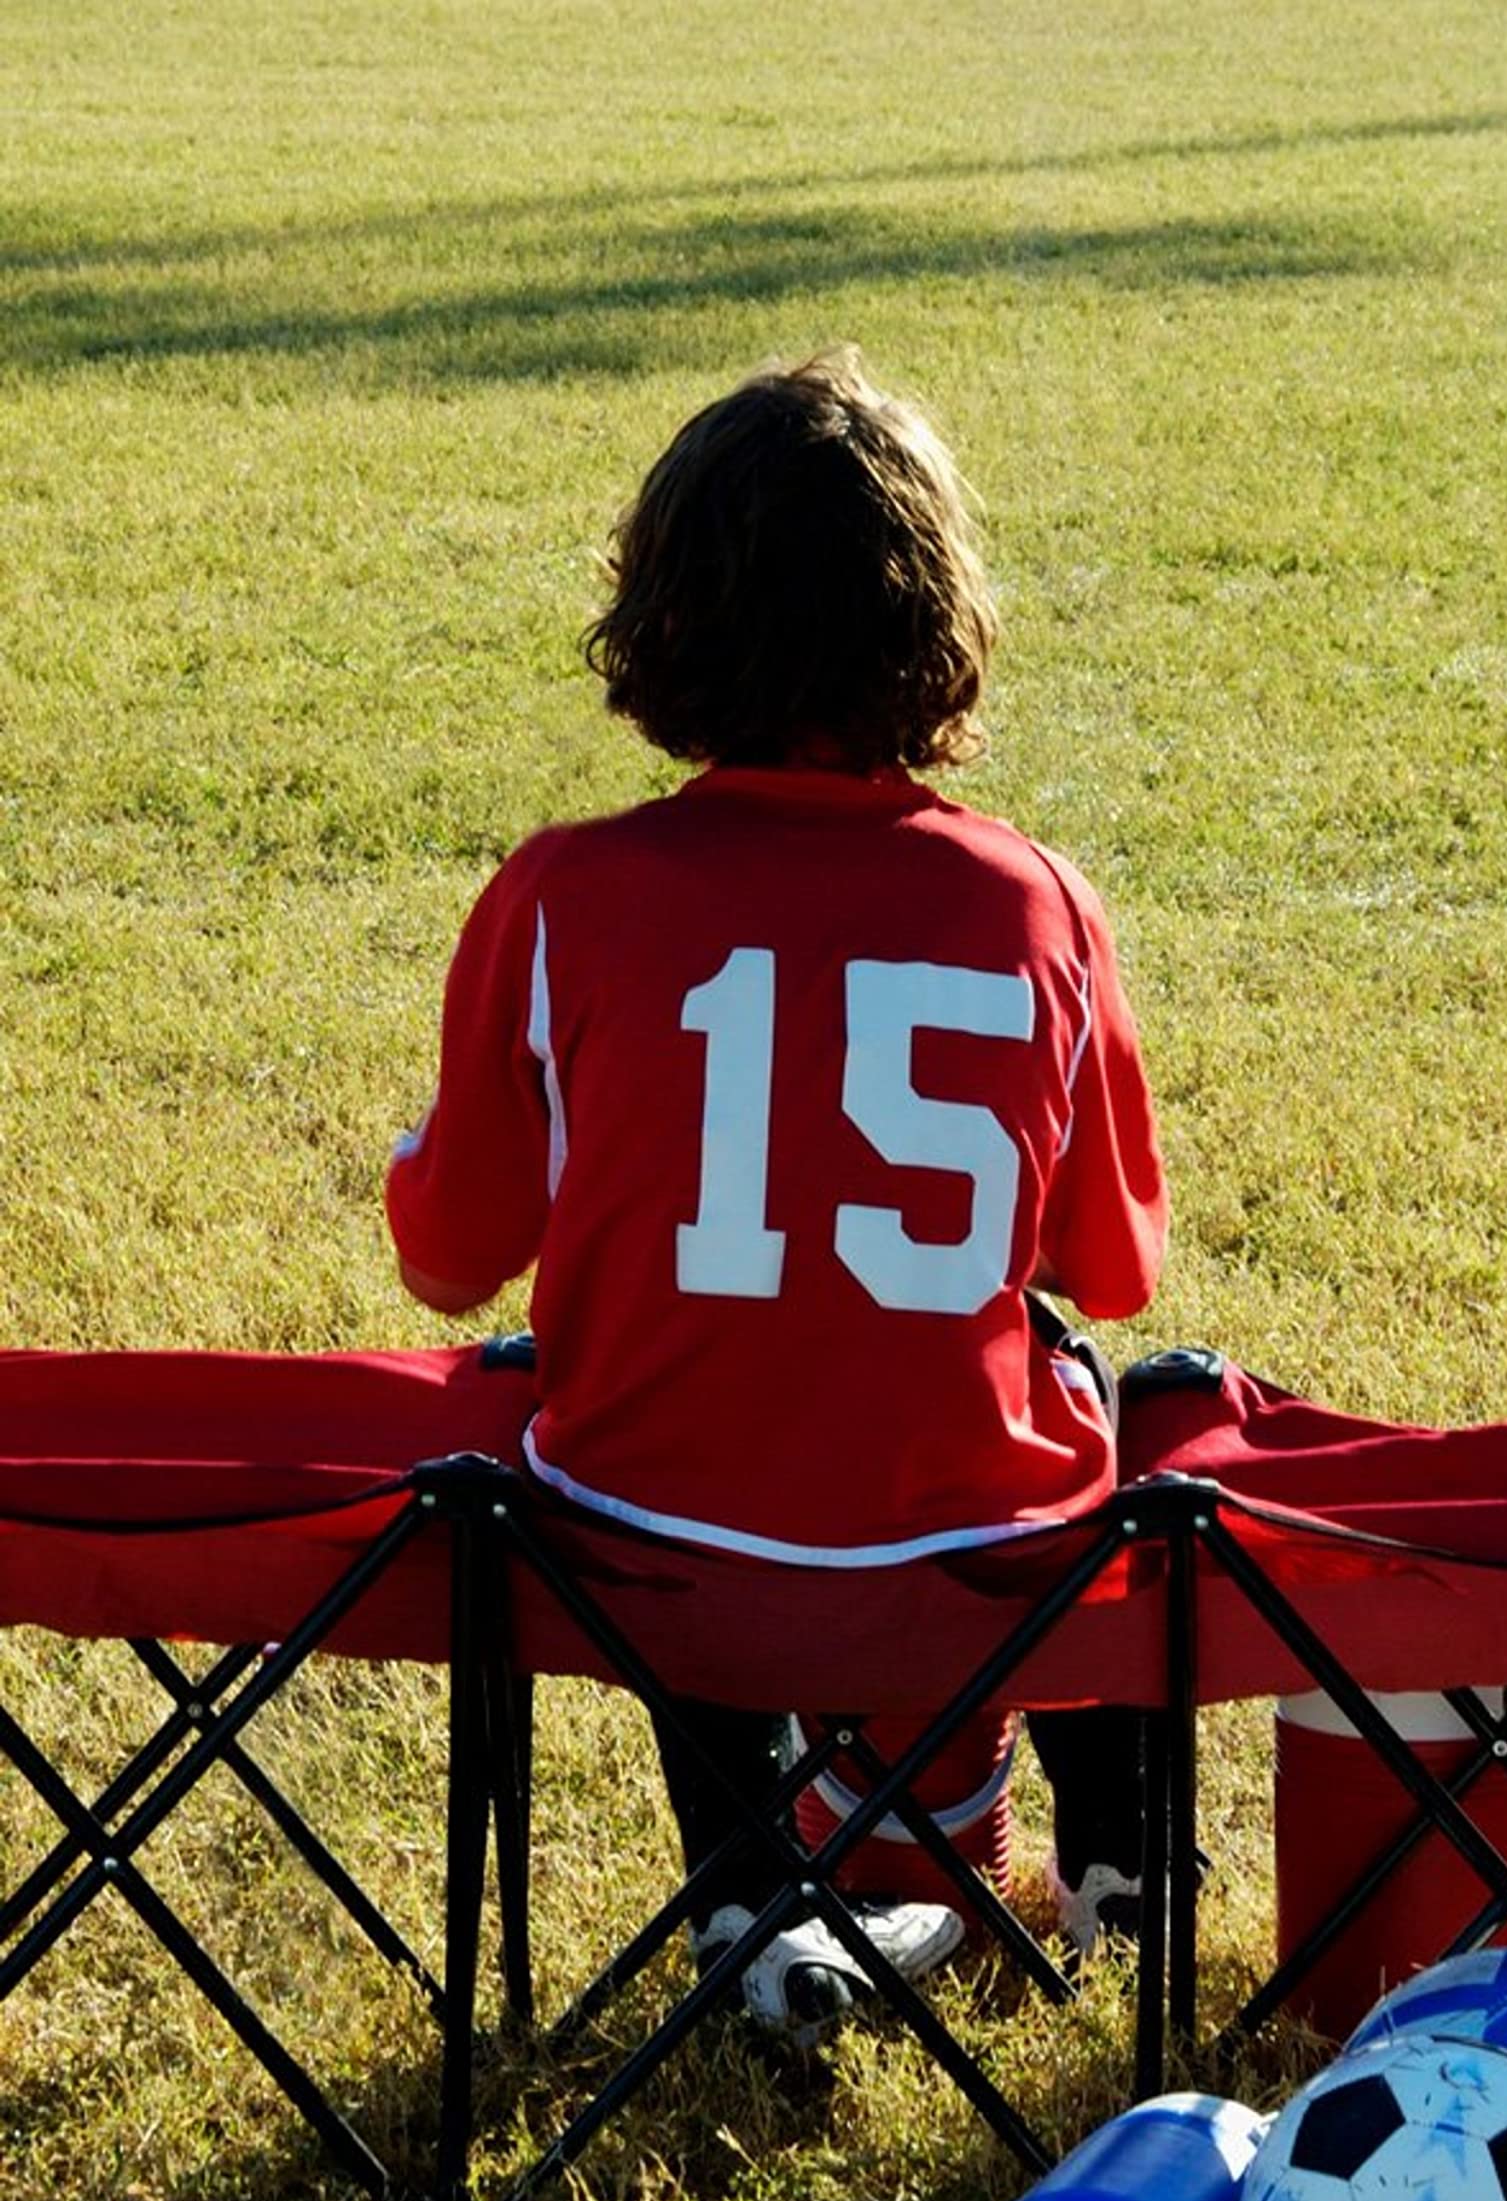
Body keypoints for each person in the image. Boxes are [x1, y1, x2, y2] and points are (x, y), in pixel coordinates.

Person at [384, 348, 1167, 2033]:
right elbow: (1110, 1267)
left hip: (647, 1566)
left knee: (634, 1411)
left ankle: (744, 1889)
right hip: (968, 1560)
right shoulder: (1036, 905)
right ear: (936, 621)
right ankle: (1123, 1880)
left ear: (659, 615)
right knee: (1129, 1412)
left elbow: (448, 1269)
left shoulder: (562, 894)